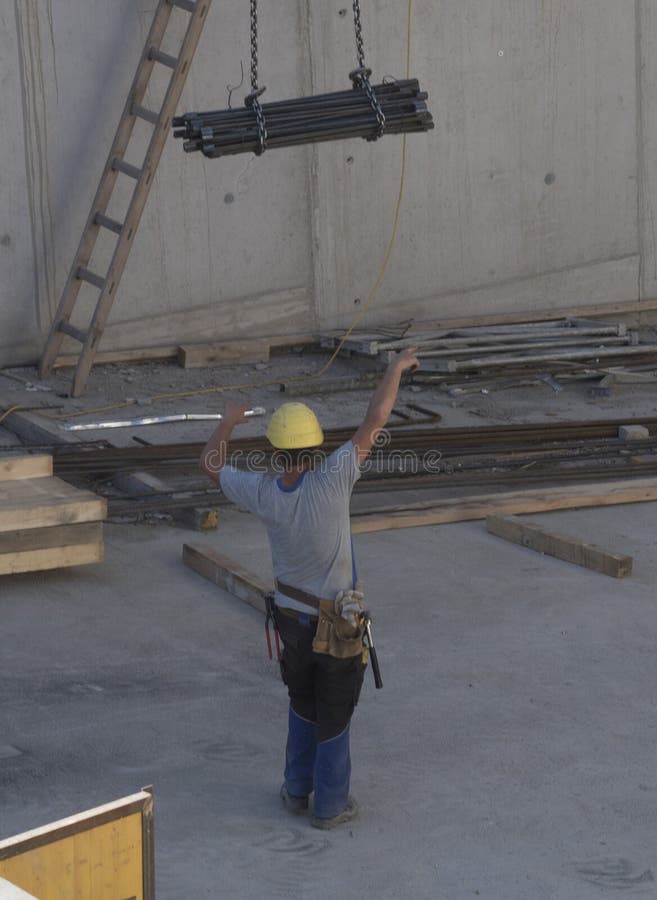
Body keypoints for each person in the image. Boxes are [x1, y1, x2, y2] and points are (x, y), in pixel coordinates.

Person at [199, 348, 419, 828]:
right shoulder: (335, 478)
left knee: (302, 703)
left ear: (276, 452)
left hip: (292, 624)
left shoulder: (261, 492)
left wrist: (229, 421)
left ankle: (297, 790)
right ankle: (330, 806)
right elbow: (376, 417)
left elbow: (211, 466)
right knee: (334, 713)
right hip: (336, 627)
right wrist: (395, 368)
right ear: (318, 447)